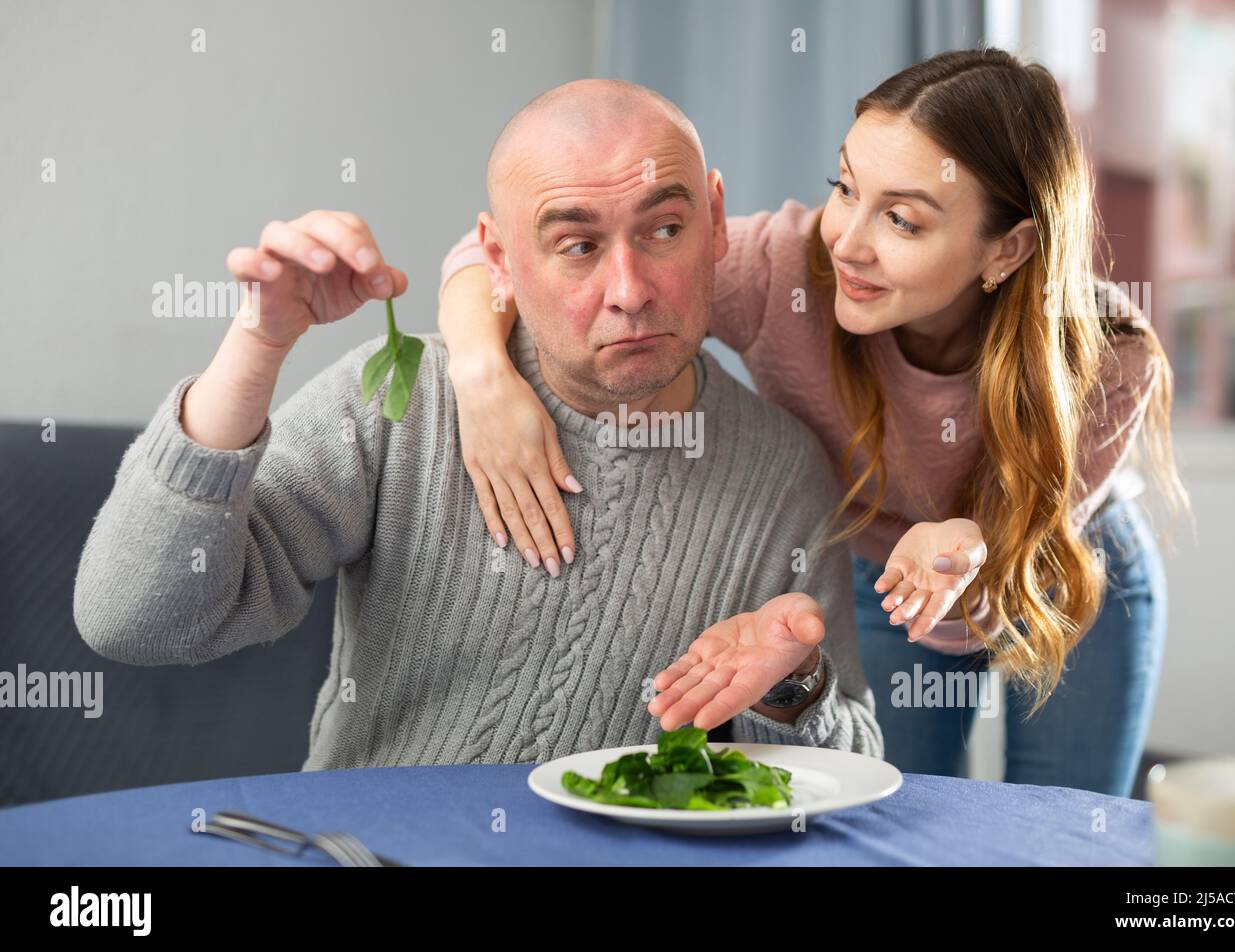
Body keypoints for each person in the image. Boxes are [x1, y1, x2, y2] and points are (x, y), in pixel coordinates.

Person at [433, 50, 1191, 795]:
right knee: (904, 813)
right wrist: (482, 379)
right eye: (846, 188)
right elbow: (492, 248)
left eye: (901, 219)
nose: (847, 241)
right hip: (879, 562)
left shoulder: (1106, 362)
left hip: (1056, 563)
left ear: (1007, 249)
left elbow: (971, 614)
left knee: (1063, 829)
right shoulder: (783, 276)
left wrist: (968, 546)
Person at [72, 79, 889, 769]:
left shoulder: (785, 474)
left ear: (715, 220)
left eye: (665, 229)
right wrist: (257, 344)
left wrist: (791, 687)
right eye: (577, 245)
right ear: (497, 258)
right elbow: (132, 621)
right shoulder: (401, 403)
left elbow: (852, 763)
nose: (631, 289)